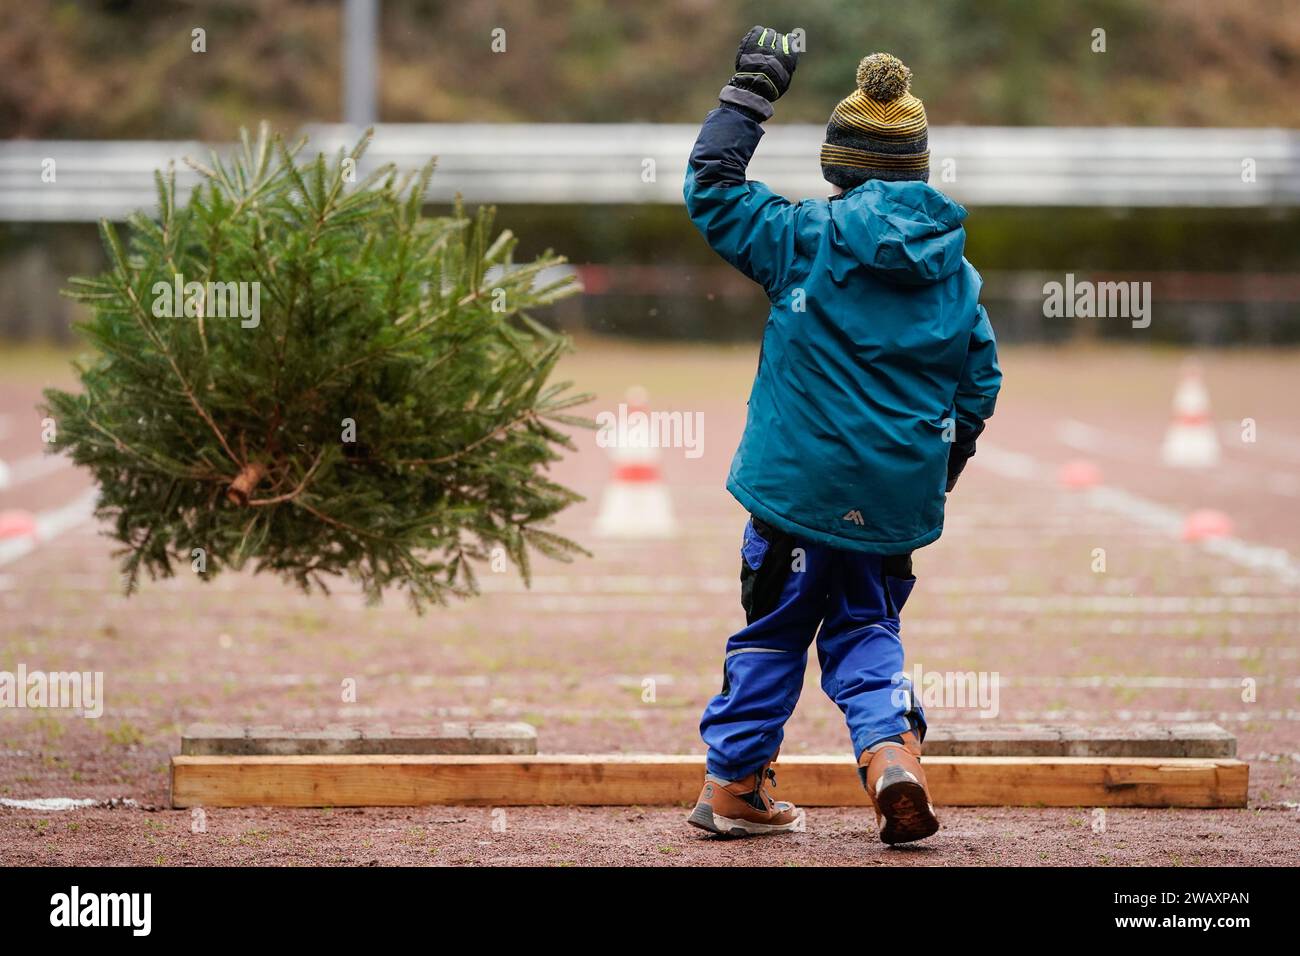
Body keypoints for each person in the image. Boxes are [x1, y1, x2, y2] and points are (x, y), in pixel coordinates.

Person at [682, 26, 1002, 844]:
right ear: (919, 167)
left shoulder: (801, 240)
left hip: (794, 495)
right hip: (891, 499)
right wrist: (934, 475)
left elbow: (713, 187)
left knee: (775, 630)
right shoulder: (958, 277)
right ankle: (890, 754)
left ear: (839, 165)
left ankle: (735, 788)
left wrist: (754, 85)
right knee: (866, 629)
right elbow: (978, 390)